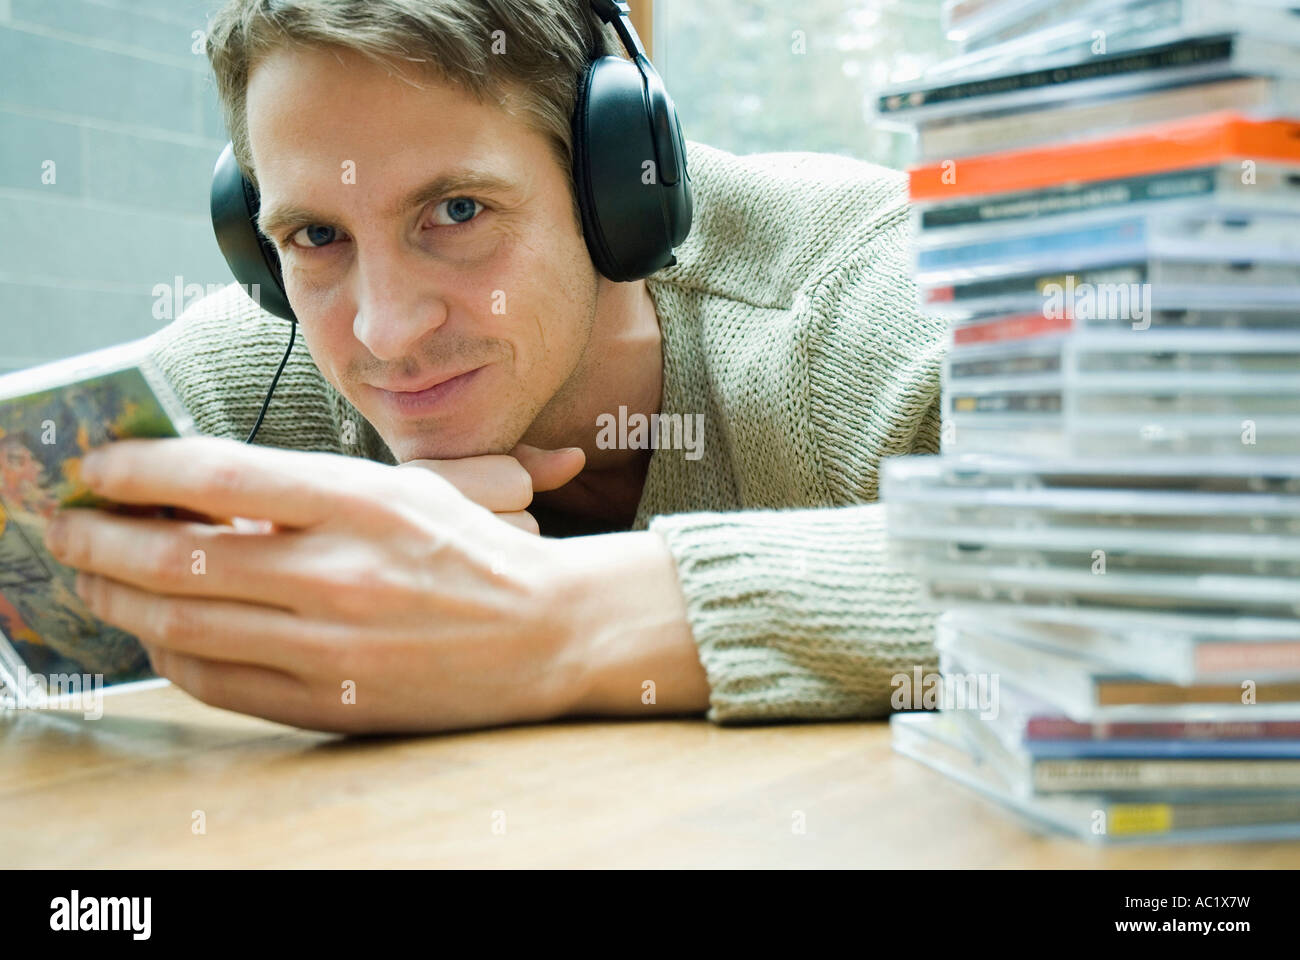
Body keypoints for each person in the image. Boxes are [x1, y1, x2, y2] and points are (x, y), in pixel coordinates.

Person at [43, 0, 946, 733]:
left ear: (612, 187)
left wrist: (547, 618)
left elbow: (1040, 571)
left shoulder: (875, 293)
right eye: (317, 235)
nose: (386, 332)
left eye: (458, 212)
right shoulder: (253, 373)